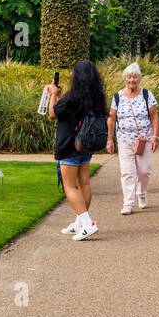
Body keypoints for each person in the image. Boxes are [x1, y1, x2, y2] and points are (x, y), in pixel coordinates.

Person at [46, 60, 107, 240]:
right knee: (84, 183)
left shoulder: (72, 97)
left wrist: (53, 94)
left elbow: (52, 113)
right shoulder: (97, 97)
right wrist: (60, 95)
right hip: (85, 145)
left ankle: (87, 223)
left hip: (68, 145)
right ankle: (80, 222)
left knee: (69, 186)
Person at [107, 62, 159, 215]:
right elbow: (111, 118)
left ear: (139, 79)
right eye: (129, 78)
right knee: (127, 172)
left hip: (144, 139)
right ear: (125, 79)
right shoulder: (117, 97)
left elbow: (154, 117)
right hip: (124, 139)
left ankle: (141, 193)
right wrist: (109, 139)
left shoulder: (147, 95)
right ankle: (128, 203)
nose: (132, 81)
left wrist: (155, 136)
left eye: (135, 77)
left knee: (144, 171)